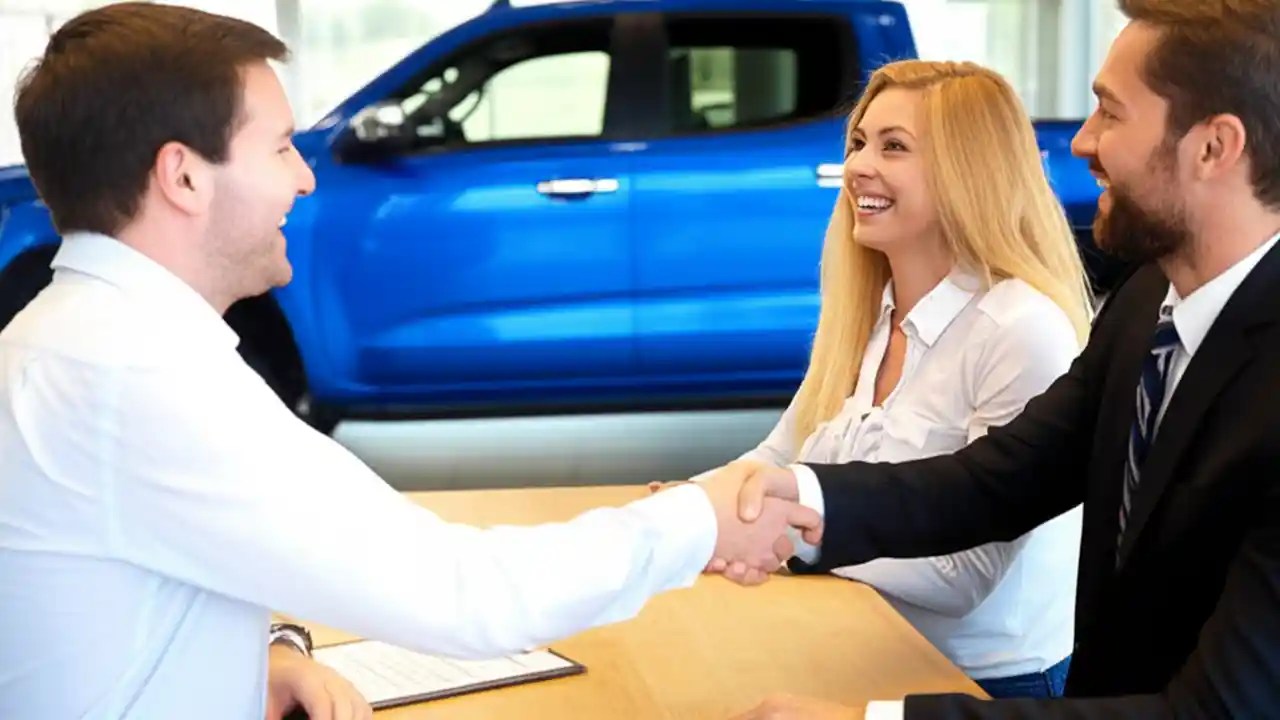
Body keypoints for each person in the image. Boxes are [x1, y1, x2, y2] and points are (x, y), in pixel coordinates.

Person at [0, 4, 820, 719]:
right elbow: (467, 595)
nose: (305, 178)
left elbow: (152, 573)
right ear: (183, 175)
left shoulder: (82, 341)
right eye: (283, 146)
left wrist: (263, 656)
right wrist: (703, 514)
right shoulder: (136, 377)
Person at [722, 0, 1280, 717]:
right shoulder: (1147, 305)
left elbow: (1216, 710)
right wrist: (797, 499)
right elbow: (996, 482)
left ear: (1213, 147)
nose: (1080, 142)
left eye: (1110, 114)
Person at [687, 59, 1092, 699]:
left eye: (893, 147)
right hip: (854, 649)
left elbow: (963, 576)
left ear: (969, 171)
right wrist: (690, 506)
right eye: (858, 143)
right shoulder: (872, 314)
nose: (857, 166)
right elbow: (777, 456)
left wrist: (785, 535)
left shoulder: (1021, 329)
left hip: (979, 690)